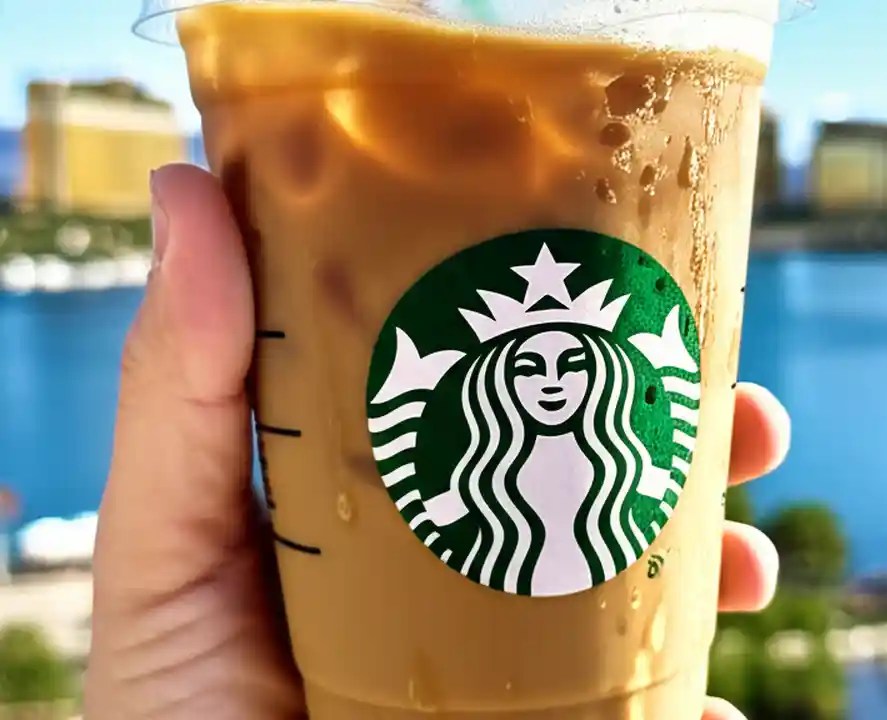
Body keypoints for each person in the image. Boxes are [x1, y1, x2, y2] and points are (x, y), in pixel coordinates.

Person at [83, 164, 792, 720]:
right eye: (526, 364)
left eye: (574, 361)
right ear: (492, 382)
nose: (551, 382)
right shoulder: (468, 495)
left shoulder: (618, 482)